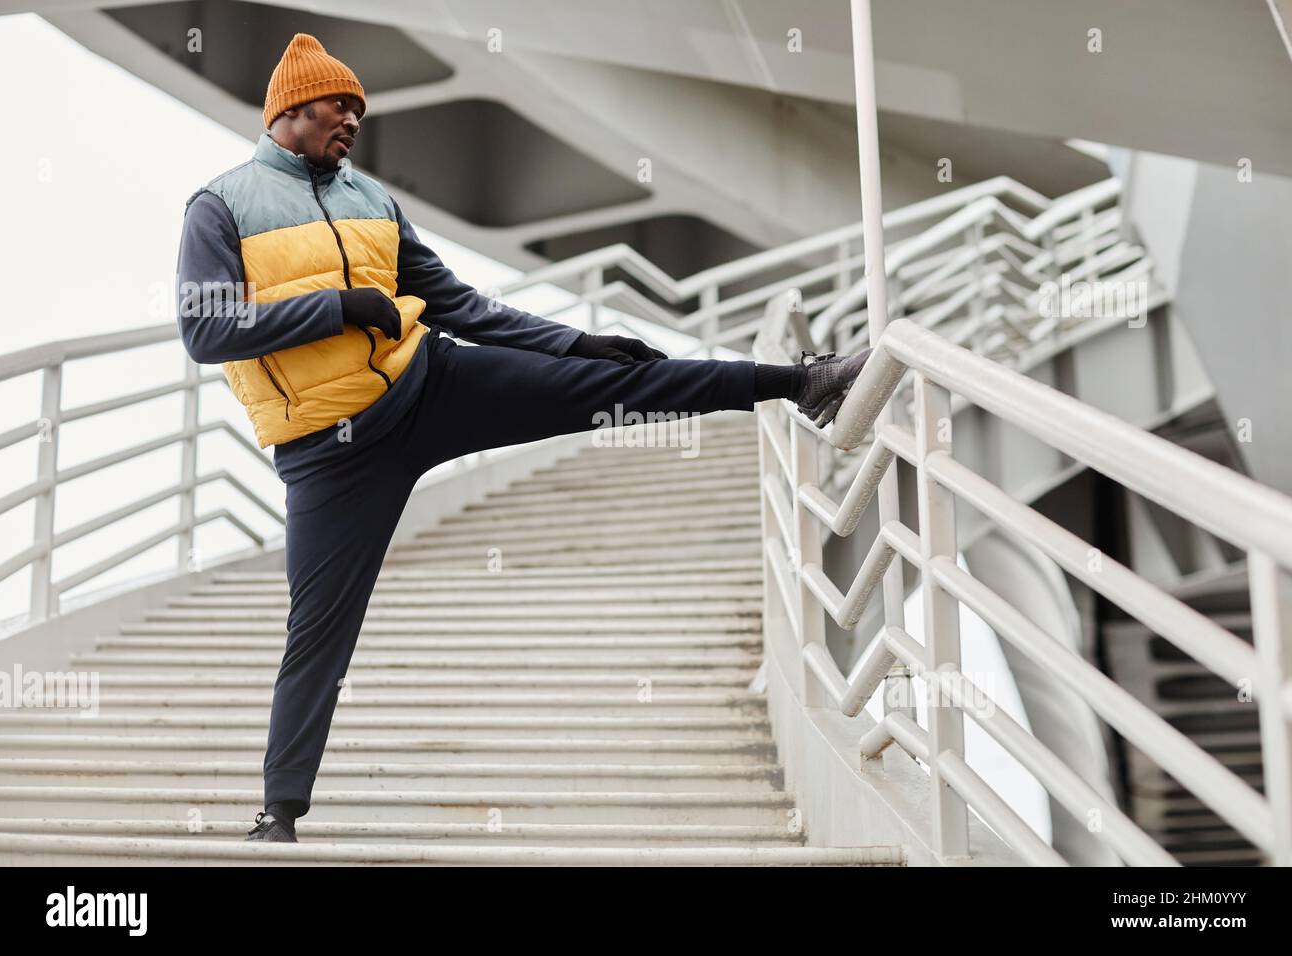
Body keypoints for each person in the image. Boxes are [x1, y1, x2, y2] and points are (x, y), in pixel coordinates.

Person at [175, 33, 870, 842]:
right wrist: (337, 309)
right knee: (319, 630)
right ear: (290, 109)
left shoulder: (372, 201)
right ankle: (279, 813)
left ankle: (798, 384)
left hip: (428, 385)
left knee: (621, 383)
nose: (354, 122)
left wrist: (579, 344)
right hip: (331, 454)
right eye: (341, 106)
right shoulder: (221, 206)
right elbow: (205, 326)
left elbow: (465, 306)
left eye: (361, 109)